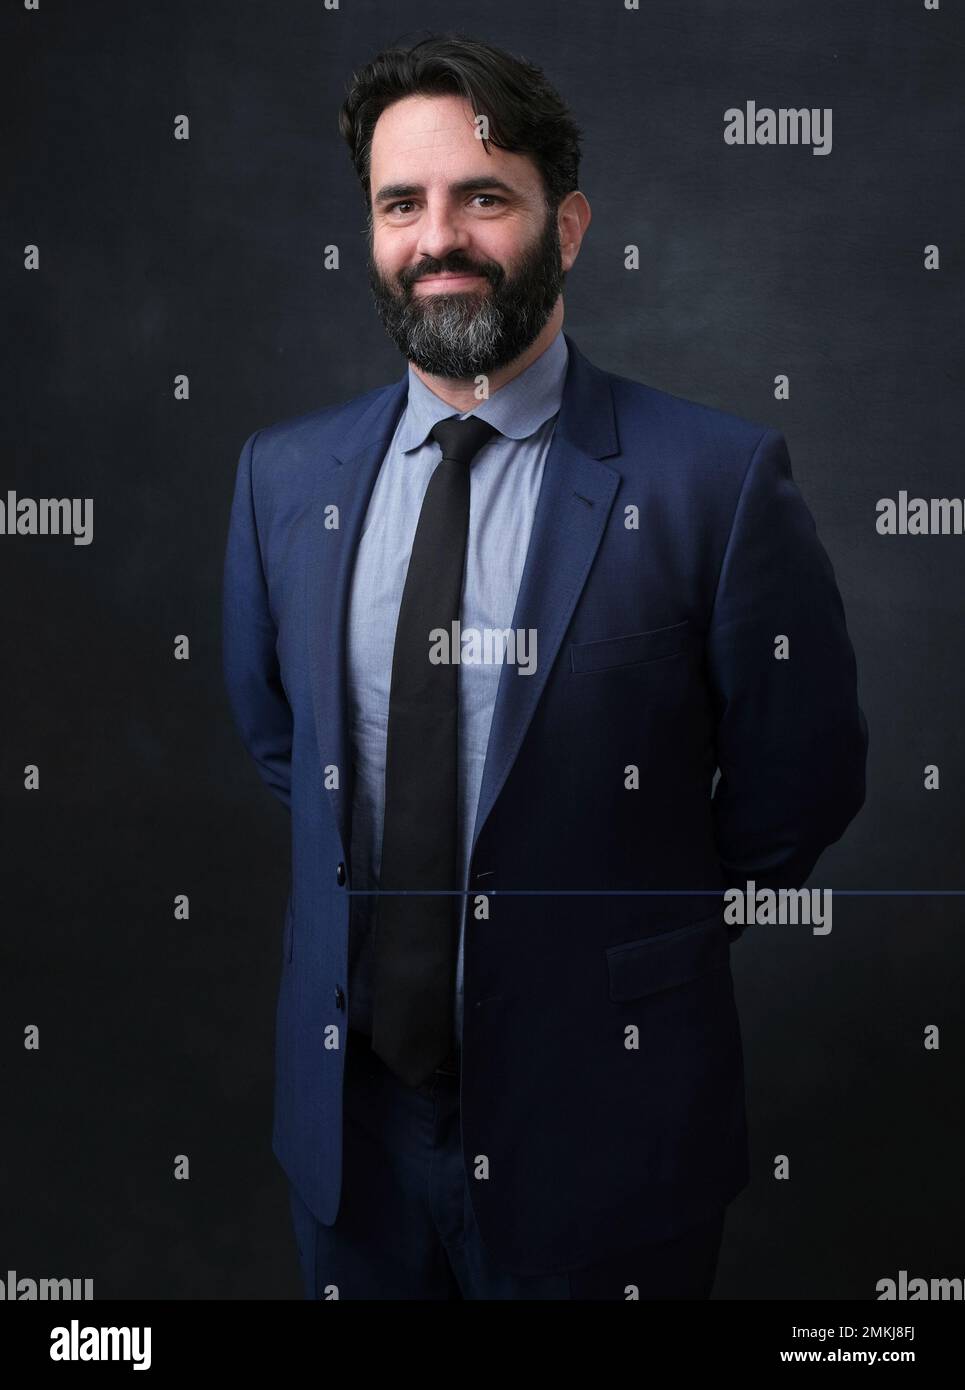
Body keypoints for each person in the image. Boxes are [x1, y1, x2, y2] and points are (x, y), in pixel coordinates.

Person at [222, 33, 868, 1300]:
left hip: (606, 1128)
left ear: (565, 226)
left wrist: (612, 898)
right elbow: (281, 747)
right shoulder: (281, 479)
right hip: (354, 1142)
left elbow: (800, 787)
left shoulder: (714, 482)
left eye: (484, 197)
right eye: (401, 203)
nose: (439, 237)